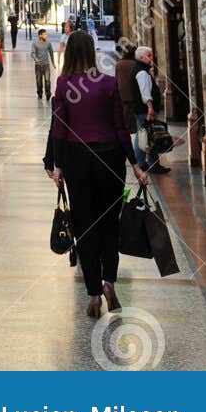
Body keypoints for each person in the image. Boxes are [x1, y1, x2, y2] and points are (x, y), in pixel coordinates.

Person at [45, 29, 148, 319]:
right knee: (109, 224)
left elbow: (60, 128)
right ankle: (108, 282)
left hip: (78, 159)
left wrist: (58, 164)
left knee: (86, 227)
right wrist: (135, 163)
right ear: (92, 52)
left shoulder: (64, 84)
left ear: (69, 53)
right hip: (110, 158)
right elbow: (120, 127)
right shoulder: (108, 83)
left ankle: (92, 293)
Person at [132, 44, 170, 175]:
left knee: (145, 135)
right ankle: (147, 164)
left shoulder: (141, 69)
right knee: (148, 136)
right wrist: (150, 108)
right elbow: (145, 93)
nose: (151, 58)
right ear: (141, 57)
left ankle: (146, 163)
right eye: (149, 56)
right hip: (145, 110)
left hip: (142, 109)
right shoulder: (142, 72)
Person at [31, 27, 55, 101]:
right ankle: (40, 93)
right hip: (38, 66)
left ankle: (48, 94)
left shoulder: (48, 43)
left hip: (46, 65)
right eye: (44, 34)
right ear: (40, 35)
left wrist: (53, 63)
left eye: (46, 34)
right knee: (39, 81)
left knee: (47, 81)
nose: (46, 36)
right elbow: (32, 53)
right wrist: (35, 59)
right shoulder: (35, 44)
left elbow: (51, 53)